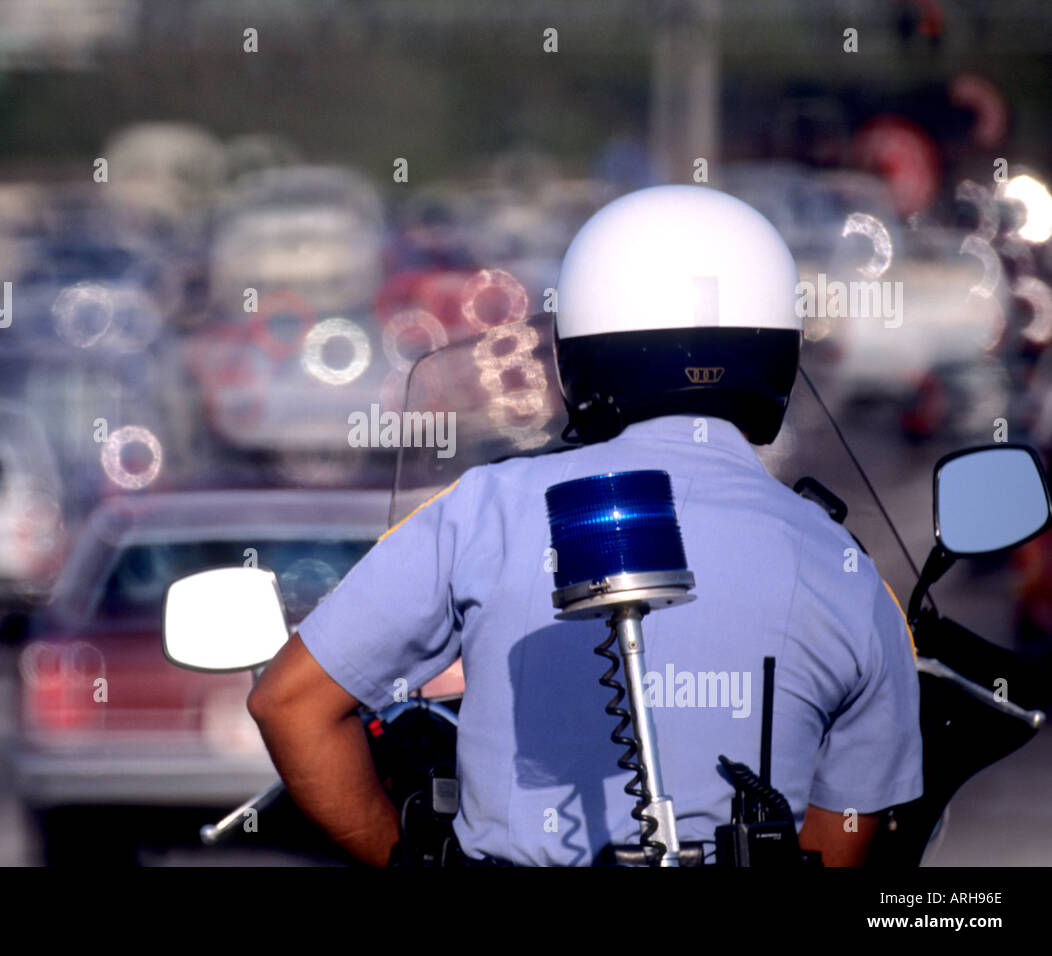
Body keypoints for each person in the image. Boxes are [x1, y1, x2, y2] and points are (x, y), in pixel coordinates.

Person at [247, 185, 923, 867]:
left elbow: (289, 703)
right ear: (779, 350)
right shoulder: (844, 568)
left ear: (581, 350)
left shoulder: (486, 510)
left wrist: (407, 860)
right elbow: (845, 835)